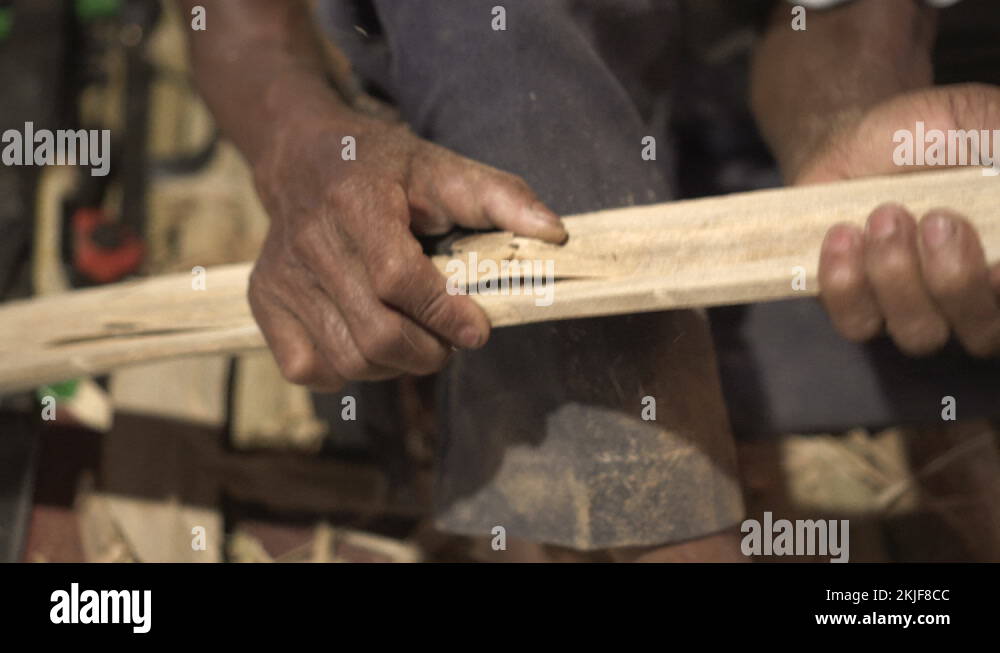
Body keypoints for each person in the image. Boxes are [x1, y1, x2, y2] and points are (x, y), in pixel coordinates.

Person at [180, 0, 997, 561]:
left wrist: (847, 134)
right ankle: (616, 484)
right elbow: (234, 22)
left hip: (729, 144)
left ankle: (557, 411)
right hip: (494, 103)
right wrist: (297, 140)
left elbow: (832, 15)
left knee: (931, 317)